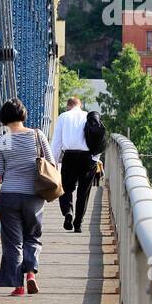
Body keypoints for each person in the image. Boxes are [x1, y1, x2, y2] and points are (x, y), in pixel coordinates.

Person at [0, 97, 48, 297]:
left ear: (3, 119)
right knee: (32, 236)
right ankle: (31, 273)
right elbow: (50, 163)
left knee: (13, 241)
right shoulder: (37, 135)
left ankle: (18, 286)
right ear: (23, 114)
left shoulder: (2, 141)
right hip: (34, 195)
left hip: (9, 196)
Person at [48, 96, 96, 232]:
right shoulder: (89, 116)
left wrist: (54, 162)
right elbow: (98, 138)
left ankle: (68, 211)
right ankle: (78, 223)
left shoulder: (63, 117)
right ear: (79, 105)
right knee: (83, 192)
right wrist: (96, 159)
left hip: (69, 156)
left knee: (65, 188)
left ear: (68, 106)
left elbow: (56, 142)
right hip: (88, 157)